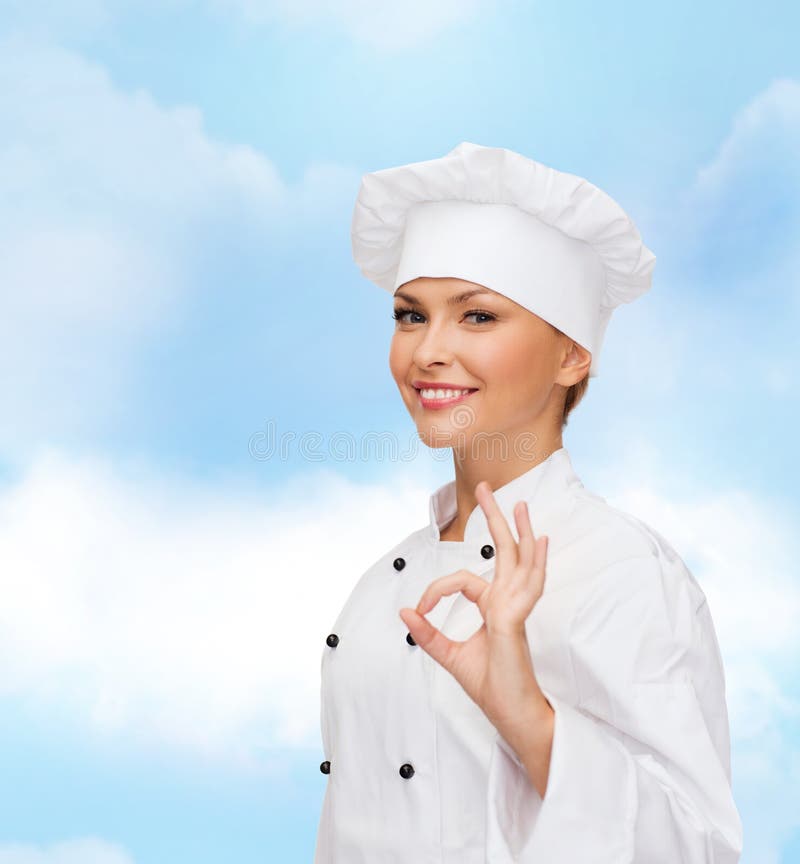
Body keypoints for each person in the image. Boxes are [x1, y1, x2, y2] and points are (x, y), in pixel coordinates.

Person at [313, 142, 744, 862]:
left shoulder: (620, 571)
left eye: (477, 317)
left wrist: (530, 722)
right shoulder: (379, 584)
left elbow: (697, 848)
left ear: (572, 354)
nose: (427, 352)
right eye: (410, 315)